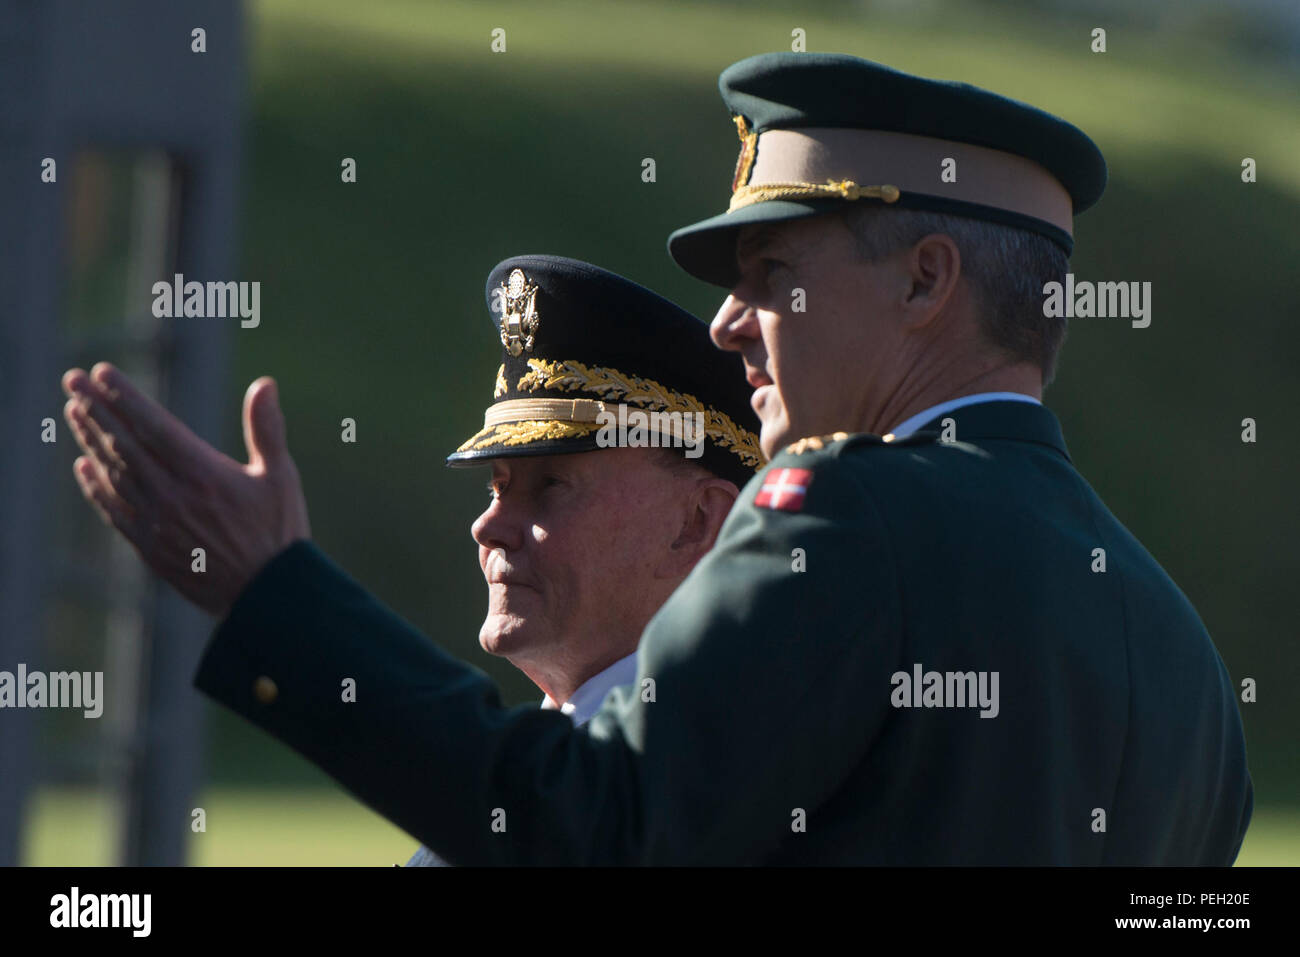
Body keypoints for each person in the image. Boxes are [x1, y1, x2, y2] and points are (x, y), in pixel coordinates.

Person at [65, 54, 1252, 865]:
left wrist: (277, 600)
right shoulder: (1180, 653)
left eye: (770, 276)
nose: (732, 326)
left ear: (925, 281)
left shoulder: (851, 513)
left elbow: (598, 824)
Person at [61, 255, 763, 866]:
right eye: (497, 485)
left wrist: (278, 594)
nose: (491, 524)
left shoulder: (715, 776)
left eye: (551, 486)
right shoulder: (574, 764)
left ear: (697, 520)